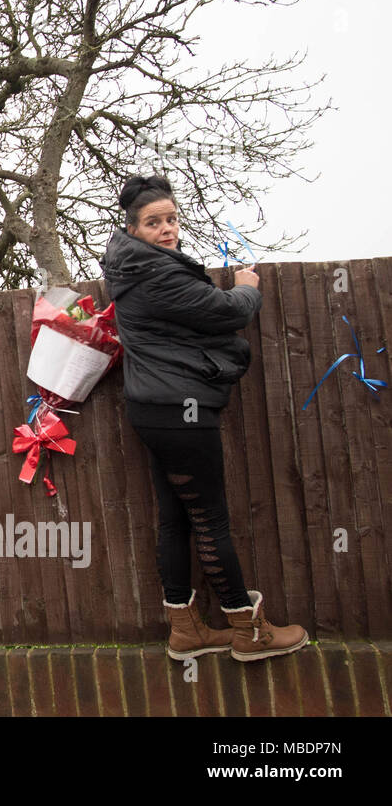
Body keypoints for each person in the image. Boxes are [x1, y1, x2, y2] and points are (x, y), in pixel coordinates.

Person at [101, 174, 307, 662]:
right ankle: (246, 630)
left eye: (171, 219)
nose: (168, 230)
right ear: (132, 229)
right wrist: (248, 286)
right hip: (181, 413)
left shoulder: (131, 269)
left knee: (175, 520)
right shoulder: (155, 273)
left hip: (154, 411)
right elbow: (224, 311)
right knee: (210, 519)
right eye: (154, 223)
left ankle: (187, 630)